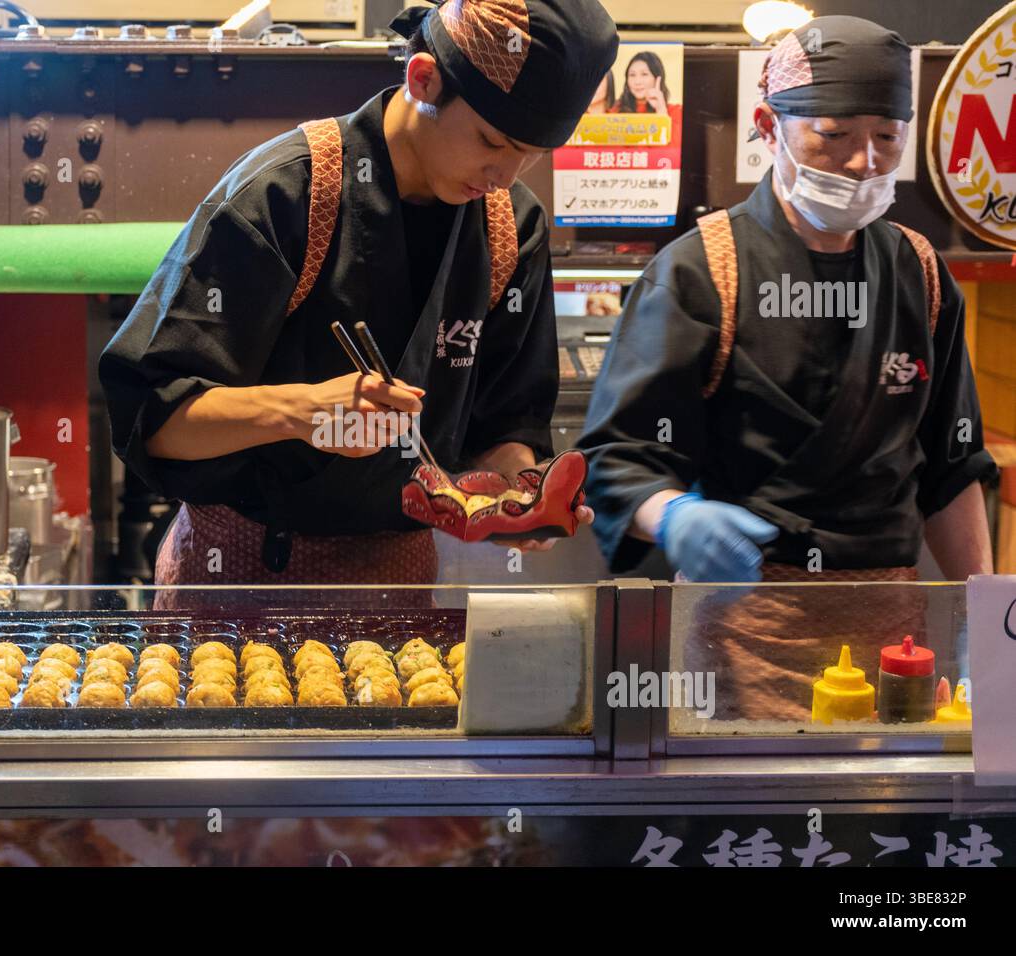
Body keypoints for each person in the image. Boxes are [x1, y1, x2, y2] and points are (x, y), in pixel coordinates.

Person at [100, 1, 616, 604]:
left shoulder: (511, 226)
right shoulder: (288, 191)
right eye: (491, 141)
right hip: (239, 571)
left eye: (529, 154)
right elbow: (154, 420)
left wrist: (515, 495)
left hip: (399, 578)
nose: (505, 174)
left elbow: (505, 424)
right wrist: (305, 411)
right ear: (423, 79)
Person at [579, 16, 997, 719]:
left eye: (887, 139)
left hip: (896, 633)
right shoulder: (698, 271)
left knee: (893, 824)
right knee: (755, 827)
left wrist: (986, 620)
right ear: (769, 125)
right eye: (834, 137)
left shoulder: (918, 273)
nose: (865, 162)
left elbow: (953, 469)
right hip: (747, 629)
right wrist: (675, 515)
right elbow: (617, 460)